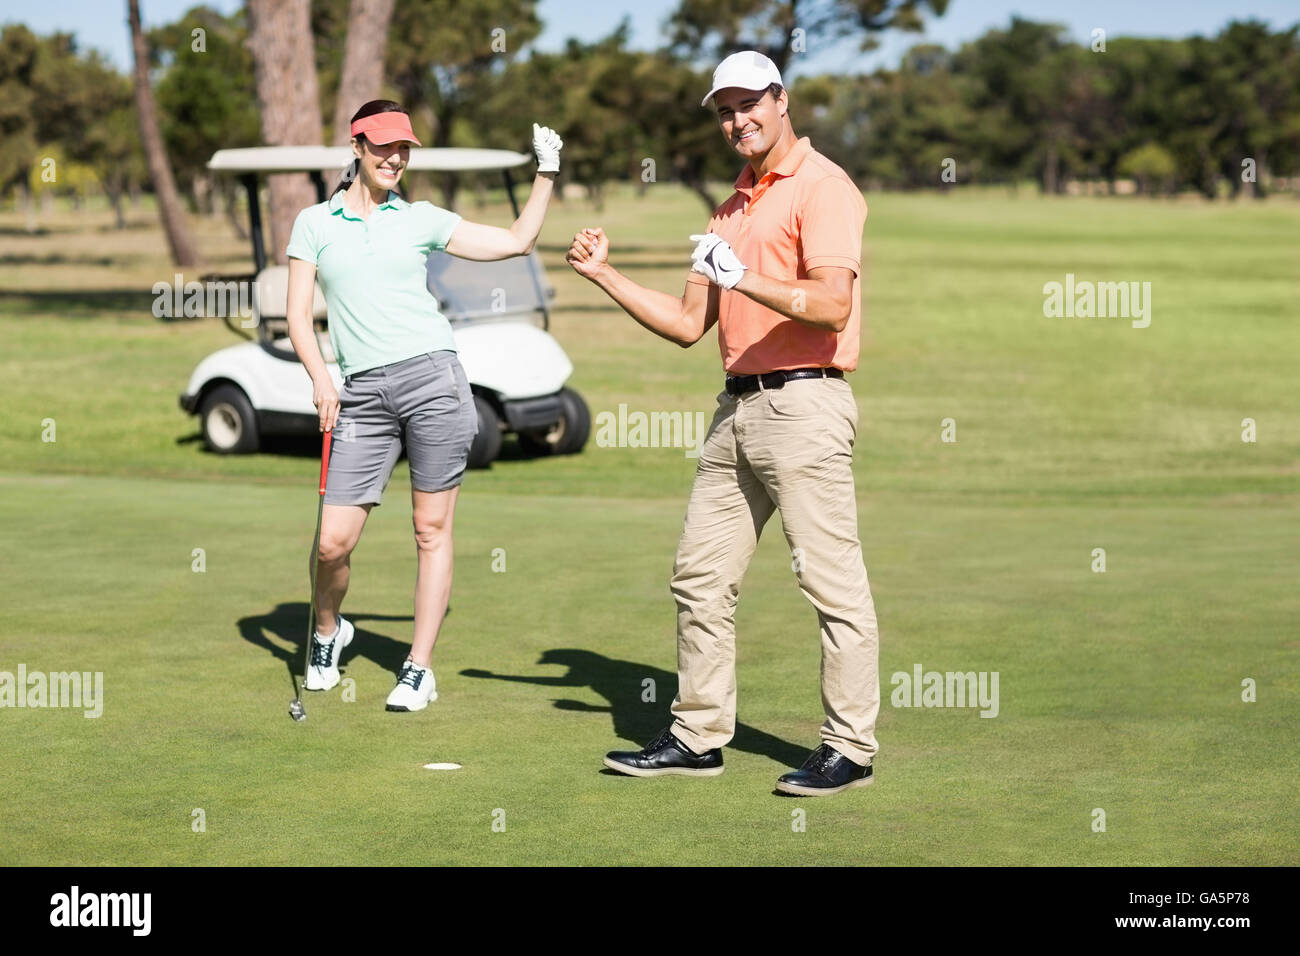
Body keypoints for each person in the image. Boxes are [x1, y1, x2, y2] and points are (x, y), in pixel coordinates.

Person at [566, 52, 880, 795]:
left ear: (781, 98)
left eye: (748, 104)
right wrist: (605, 274)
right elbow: (685, 324)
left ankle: (850, 749)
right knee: (699, 578)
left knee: (830, 585)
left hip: (805, 403)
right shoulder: (729, 208)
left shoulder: (822, 186)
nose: (738, 121)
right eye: (724, 110)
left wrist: (747, 278)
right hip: (735, 409)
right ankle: (699, 734)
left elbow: (832, 304)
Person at [286, 99, 563, 712]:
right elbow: (298, 315)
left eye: (404, 147)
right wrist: (321, 380)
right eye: (383, 145)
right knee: (333, 540)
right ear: (357, 146)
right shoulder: (314, 223)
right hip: (359, 391)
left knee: (430, 530)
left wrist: (546, 172)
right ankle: (329, 631)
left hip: (434, 381)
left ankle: (417, 668)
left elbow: (517, 242)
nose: (395, 157)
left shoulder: (421, 219)